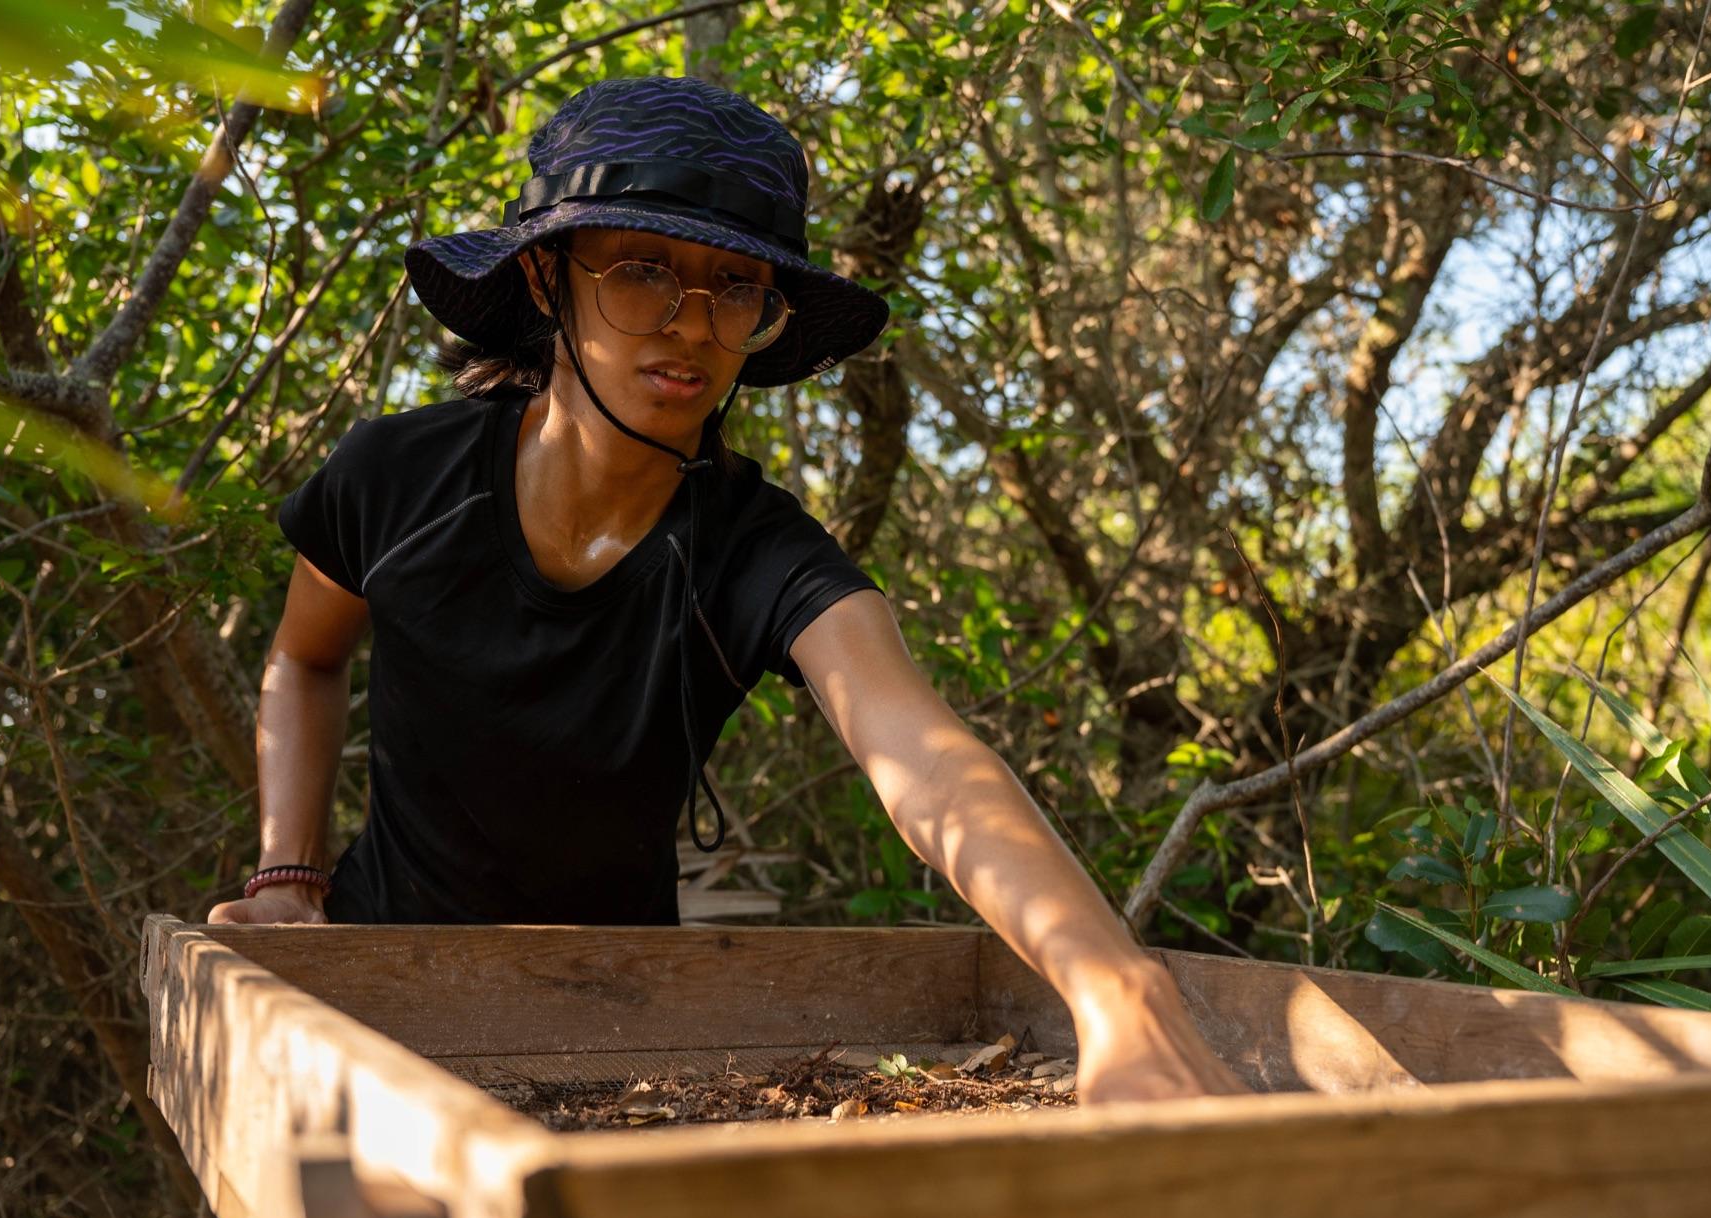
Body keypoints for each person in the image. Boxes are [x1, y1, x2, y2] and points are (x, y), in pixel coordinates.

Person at [208, 74, 1244, 1104]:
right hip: (372, 1002)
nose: (691, 324)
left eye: (734, 285)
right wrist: (288, 874)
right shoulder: (395, 478)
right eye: (642, 271)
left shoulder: (754, 551)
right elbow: (304, 656)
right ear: (544, 280)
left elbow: (924, 759)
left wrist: (1115, 992)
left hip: (619, 1044)